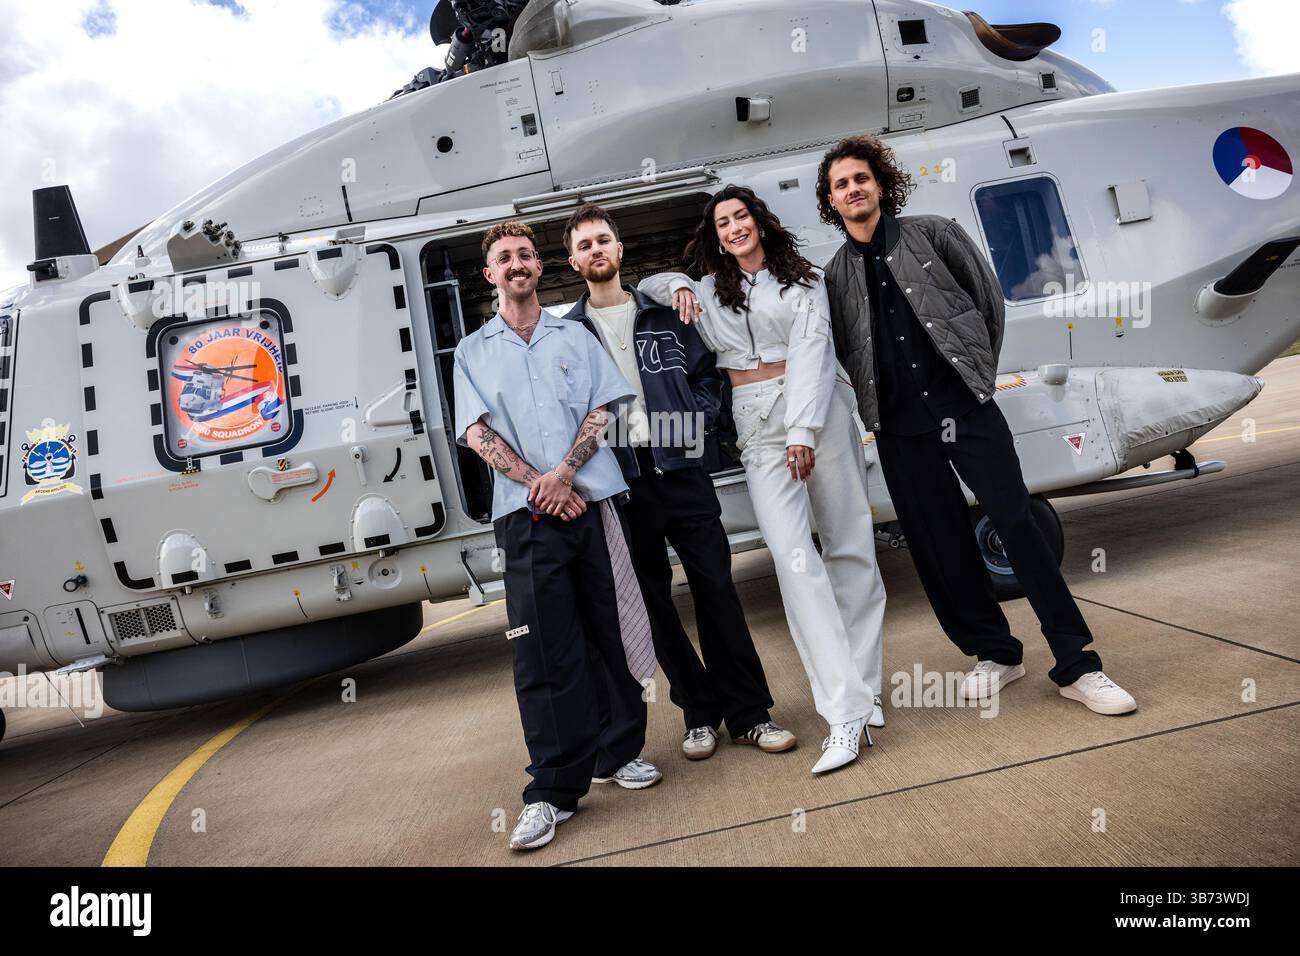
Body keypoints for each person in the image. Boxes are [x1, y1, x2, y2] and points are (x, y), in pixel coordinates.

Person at [814, 134, 1137, 715]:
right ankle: (996, 652)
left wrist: (975, 375)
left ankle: (1077, 664)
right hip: (899, 430)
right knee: (939, 546)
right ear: (831, 201)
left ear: (880, 184)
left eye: (860, 178)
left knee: (1017, 524)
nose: (852, 189)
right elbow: (844, 349)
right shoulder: (834, 276)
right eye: (841, 184)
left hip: (965, 410)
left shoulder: (933, 233)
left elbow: (988, 302)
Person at [640, 186, 887, 775]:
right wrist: (674, 281)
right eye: (722, 222)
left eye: (740, 217)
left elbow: (813, 349)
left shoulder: (802, 280)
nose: (733, 229)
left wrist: (803, 429)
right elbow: (645, 284)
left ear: (759, 221)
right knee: (794, 560)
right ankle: (844, 708)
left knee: (850, 546)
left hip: (818, 414)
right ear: (716, 234)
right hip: (756, 424)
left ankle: (864, 692)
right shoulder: (705, 291)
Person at [453, 221, 663, 852]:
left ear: (539, 267)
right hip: (528, 517)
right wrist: (541, 485)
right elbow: (477, 433)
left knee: (611, 630)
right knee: (544, 649)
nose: (516, 265)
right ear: (489, 274)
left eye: (524, 256)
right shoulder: (473, 351)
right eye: (503, 259)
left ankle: (620, 752)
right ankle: (551, 790)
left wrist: (566, 473)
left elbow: (604, 408)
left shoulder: (574, 334)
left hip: (591, 502)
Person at [562, 202, 796, 761]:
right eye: (585, 245)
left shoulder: (664, 311)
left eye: (603, 241)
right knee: (650, 605)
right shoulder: (566, 335)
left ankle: (750, 714)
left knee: (717, 588)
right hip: (619, 487)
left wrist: (688, 435)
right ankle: (698, 713)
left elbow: (707, 375)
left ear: (620, 250)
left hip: (680, 474)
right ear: (573, 261)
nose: (596, 251)